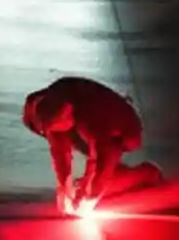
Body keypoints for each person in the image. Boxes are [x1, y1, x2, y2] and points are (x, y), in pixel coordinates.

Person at [22, 77, 163, 215]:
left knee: (95, 183)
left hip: (123, 127)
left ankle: (147, 173)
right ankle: (114, 173)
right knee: (79, 187)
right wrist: (64, 186)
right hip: (87, 120)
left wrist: (91, 195)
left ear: (69, 113)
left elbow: (105, 153)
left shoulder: (91, 118)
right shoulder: (44, 106)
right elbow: (59, 150)